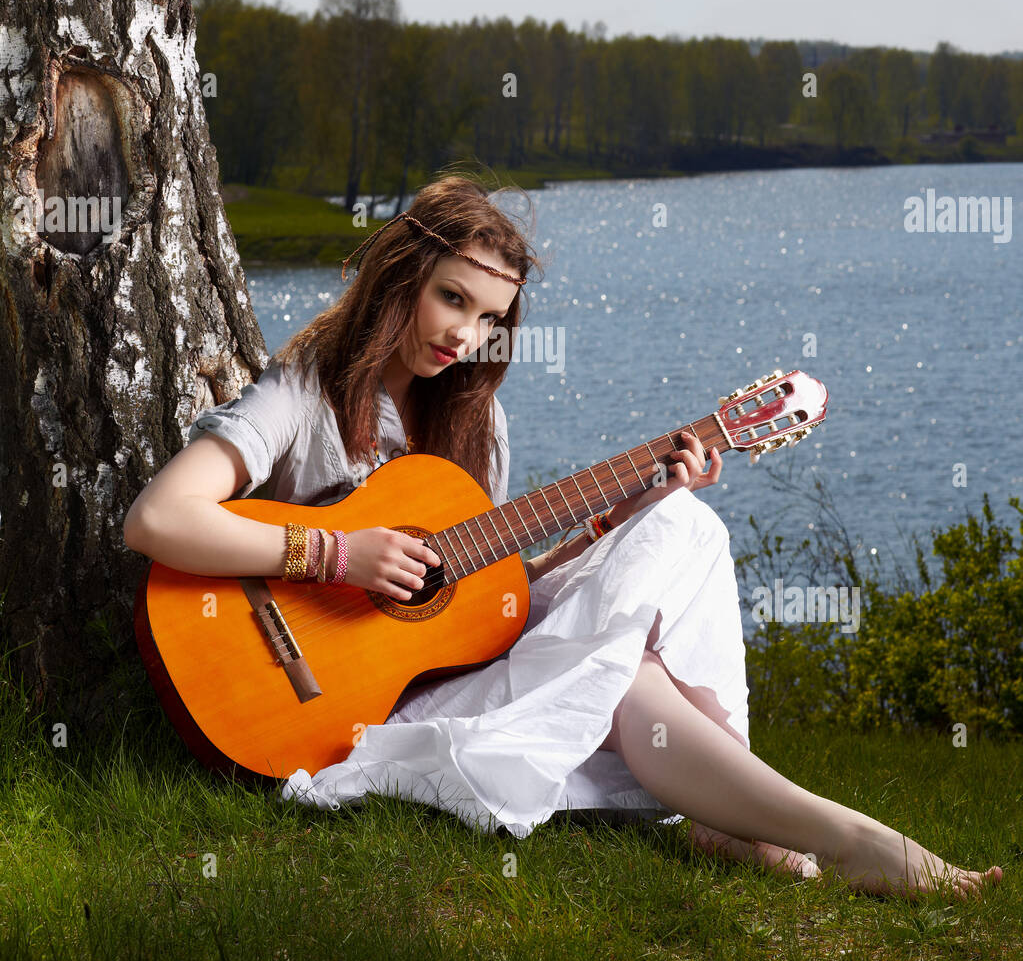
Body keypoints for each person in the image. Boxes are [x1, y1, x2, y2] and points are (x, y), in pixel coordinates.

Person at [123, 171, 1001, 901]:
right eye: (450, 299)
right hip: (331, 709)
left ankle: (802, 829)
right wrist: (338, 553)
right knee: (620, 672)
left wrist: (624, 514)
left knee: (678, 531)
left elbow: (484, 591)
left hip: (430, 671)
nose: (463, 335)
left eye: (487, 319)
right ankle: (811, 832)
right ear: (399, 277)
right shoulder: (301, 392)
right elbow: (158, 520)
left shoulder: (477, 424)